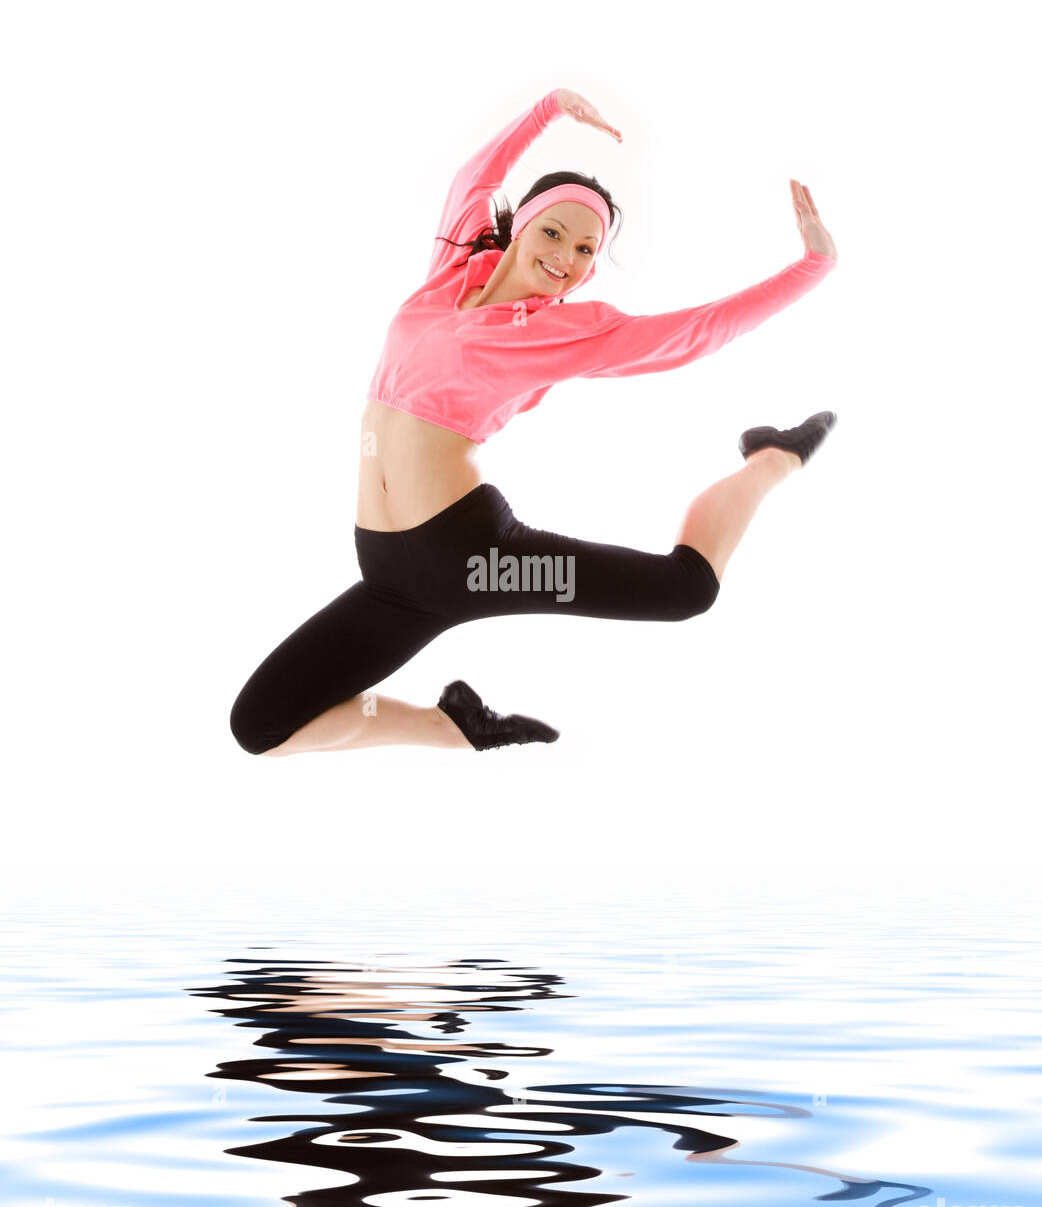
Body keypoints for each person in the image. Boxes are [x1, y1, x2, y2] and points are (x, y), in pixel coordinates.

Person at [229, 87, 838, 757]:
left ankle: (770, 460)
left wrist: (812, 268)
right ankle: (449, 729)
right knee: (261, 728)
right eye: (554, 232)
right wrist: (547, 111)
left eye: (585, 249)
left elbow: (696, 333)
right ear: (522, 226)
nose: (566, 258)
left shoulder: (563, 332)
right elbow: (475, 179)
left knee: (684, 589)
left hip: (475, 561)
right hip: (388, 576)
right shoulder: (450, 271)